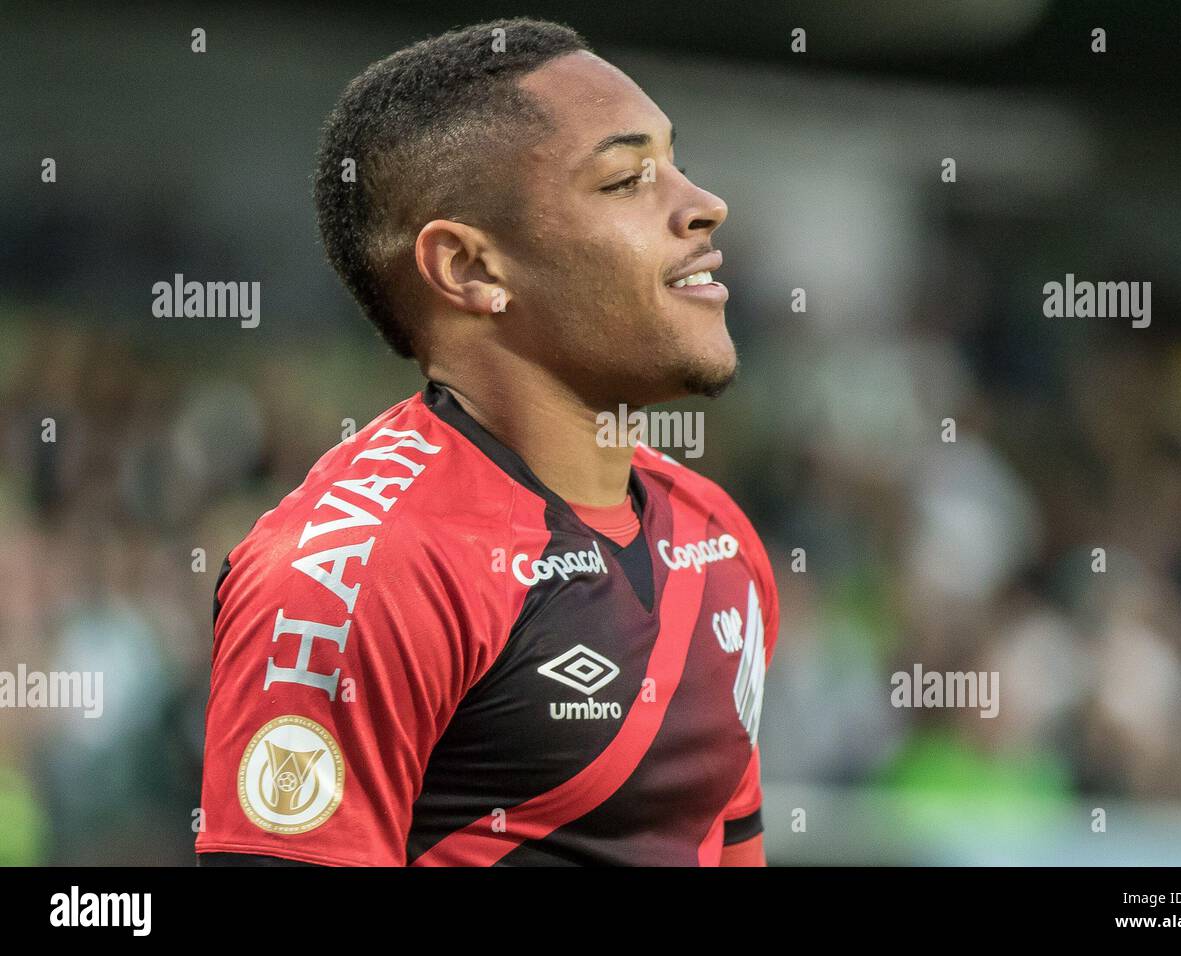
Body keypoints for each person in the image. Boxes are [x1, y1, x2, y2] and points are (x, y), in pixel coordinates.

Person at [196, 17, 778, 866]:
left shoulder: (717, 537)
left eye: (676, 163)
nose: (702, 205)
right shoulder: (358, 574)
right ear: (470, 269)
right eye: (625, 181)